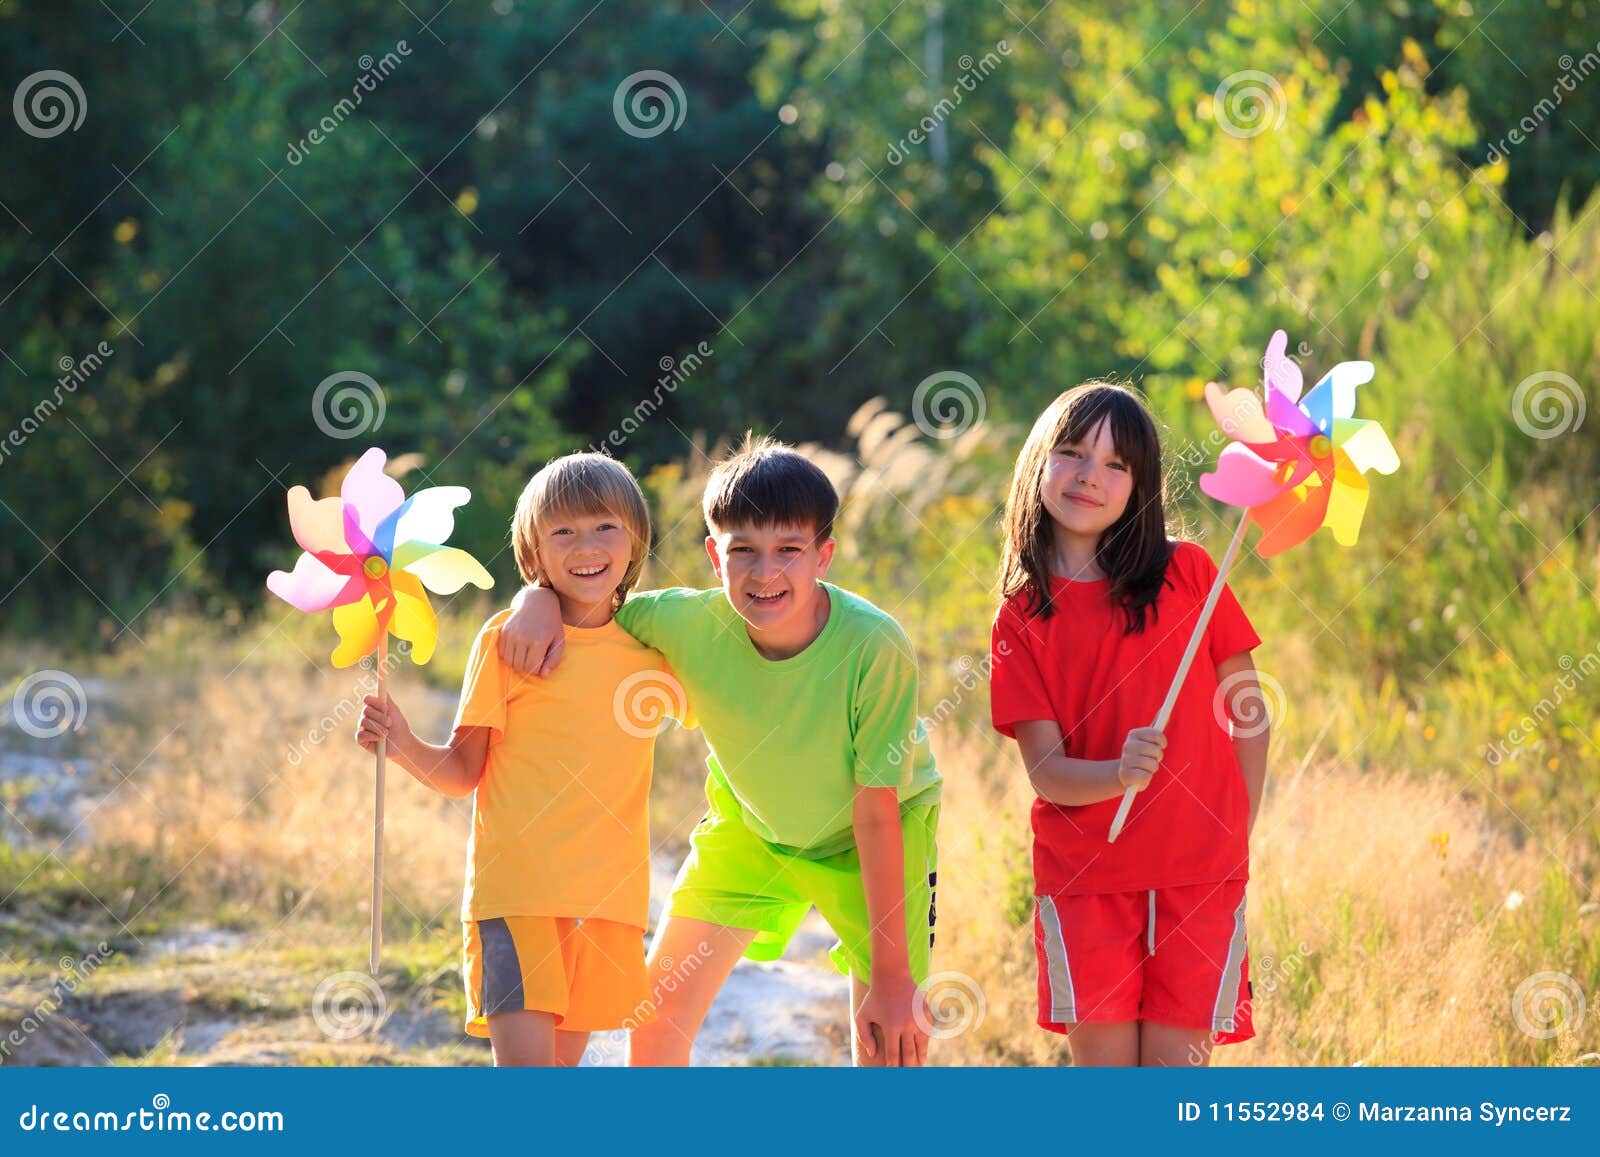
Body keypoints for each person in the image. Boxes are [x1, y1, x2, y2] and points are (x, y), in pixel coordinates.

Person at [498, 436, 942, 1066]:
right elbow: (592, 608)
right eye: (743, 551)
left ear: (824, 555)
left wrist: (894, 980)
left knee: (887, 1039)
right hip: (751, 832)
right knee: (655, 1017)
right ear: (714, 555)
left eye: (789, 550)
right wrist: (534, 598)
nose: (765, 572)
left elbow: (876, 811)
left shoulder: (874, 645)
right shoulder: (683, 623)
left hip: (874, 832)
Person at [356, 452, 689, 1066]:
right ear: (533, 551)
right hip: (518, 897)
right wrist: (400, 743)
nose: (586, 546)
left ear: (637, 539)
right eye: (563, 531)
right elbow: (463, 773)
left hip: (606, 903)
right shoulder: (505, 641)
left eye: (606, 526)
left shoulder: (655, 650)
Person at [990, 382, 1270, 1067]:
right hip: (1088, 878)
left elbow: (1250, 712)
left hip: (1197, 873)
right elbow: (1046, 772)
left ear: (1141, 486)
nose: (1091, 475)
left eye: (1117, 464)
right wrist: (1118, 774)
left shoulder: (1189, 572)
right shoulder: (1021, 617)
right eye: (1073, 452)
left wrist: (1236, 826)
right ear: (1038, 460)